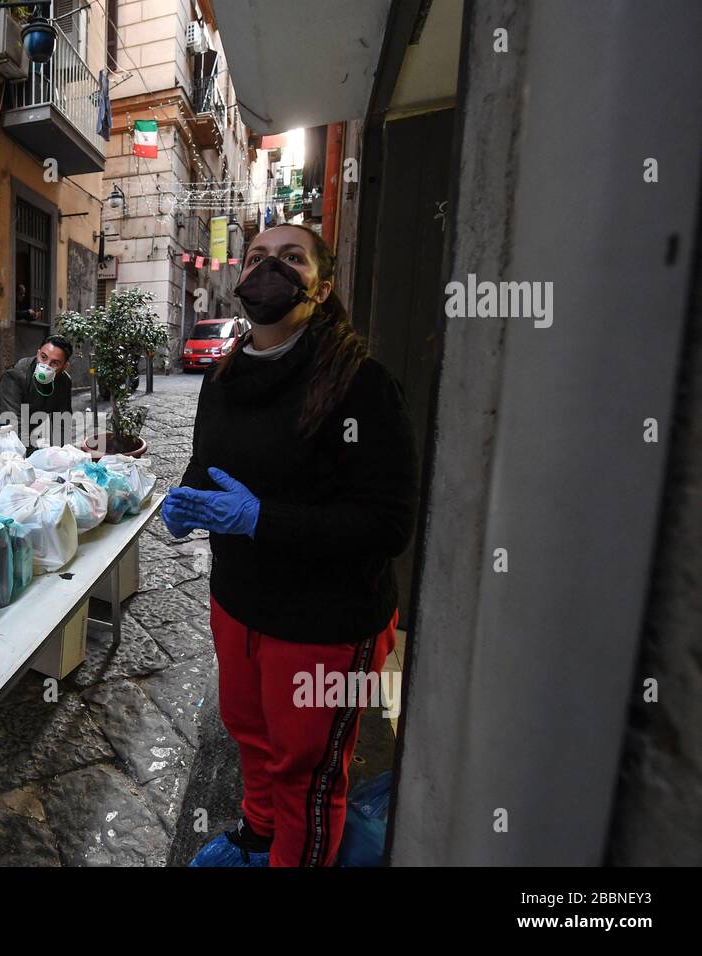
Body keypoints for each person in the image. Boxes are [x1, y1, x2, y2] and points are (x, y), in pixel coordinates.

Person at [162, 223, 418, 867]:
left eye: (291, 258)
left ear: (322, 286)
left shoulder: (362, 384)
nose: (268, 268)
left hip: (324, 621)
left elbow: (387, 525)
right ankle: (257, 830)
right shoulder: (224, 376)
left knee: (307, 771)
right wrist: (185, 504)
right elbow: (206, 463)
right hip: (238, 603)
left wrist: (261, 520)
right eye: (256, 258)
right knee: (249, 734)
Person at [0, 335, 74, 447]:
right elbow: (13, 424)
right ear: (38, 354)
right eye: (43, 357)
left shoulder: (64, 382)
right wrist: (36, 454)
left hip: (24, 435)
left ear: (64, 367)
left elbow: (62, 423)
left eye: (55, 363)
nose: (46, 366)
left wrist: (61, 452)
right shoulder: (15, 376)